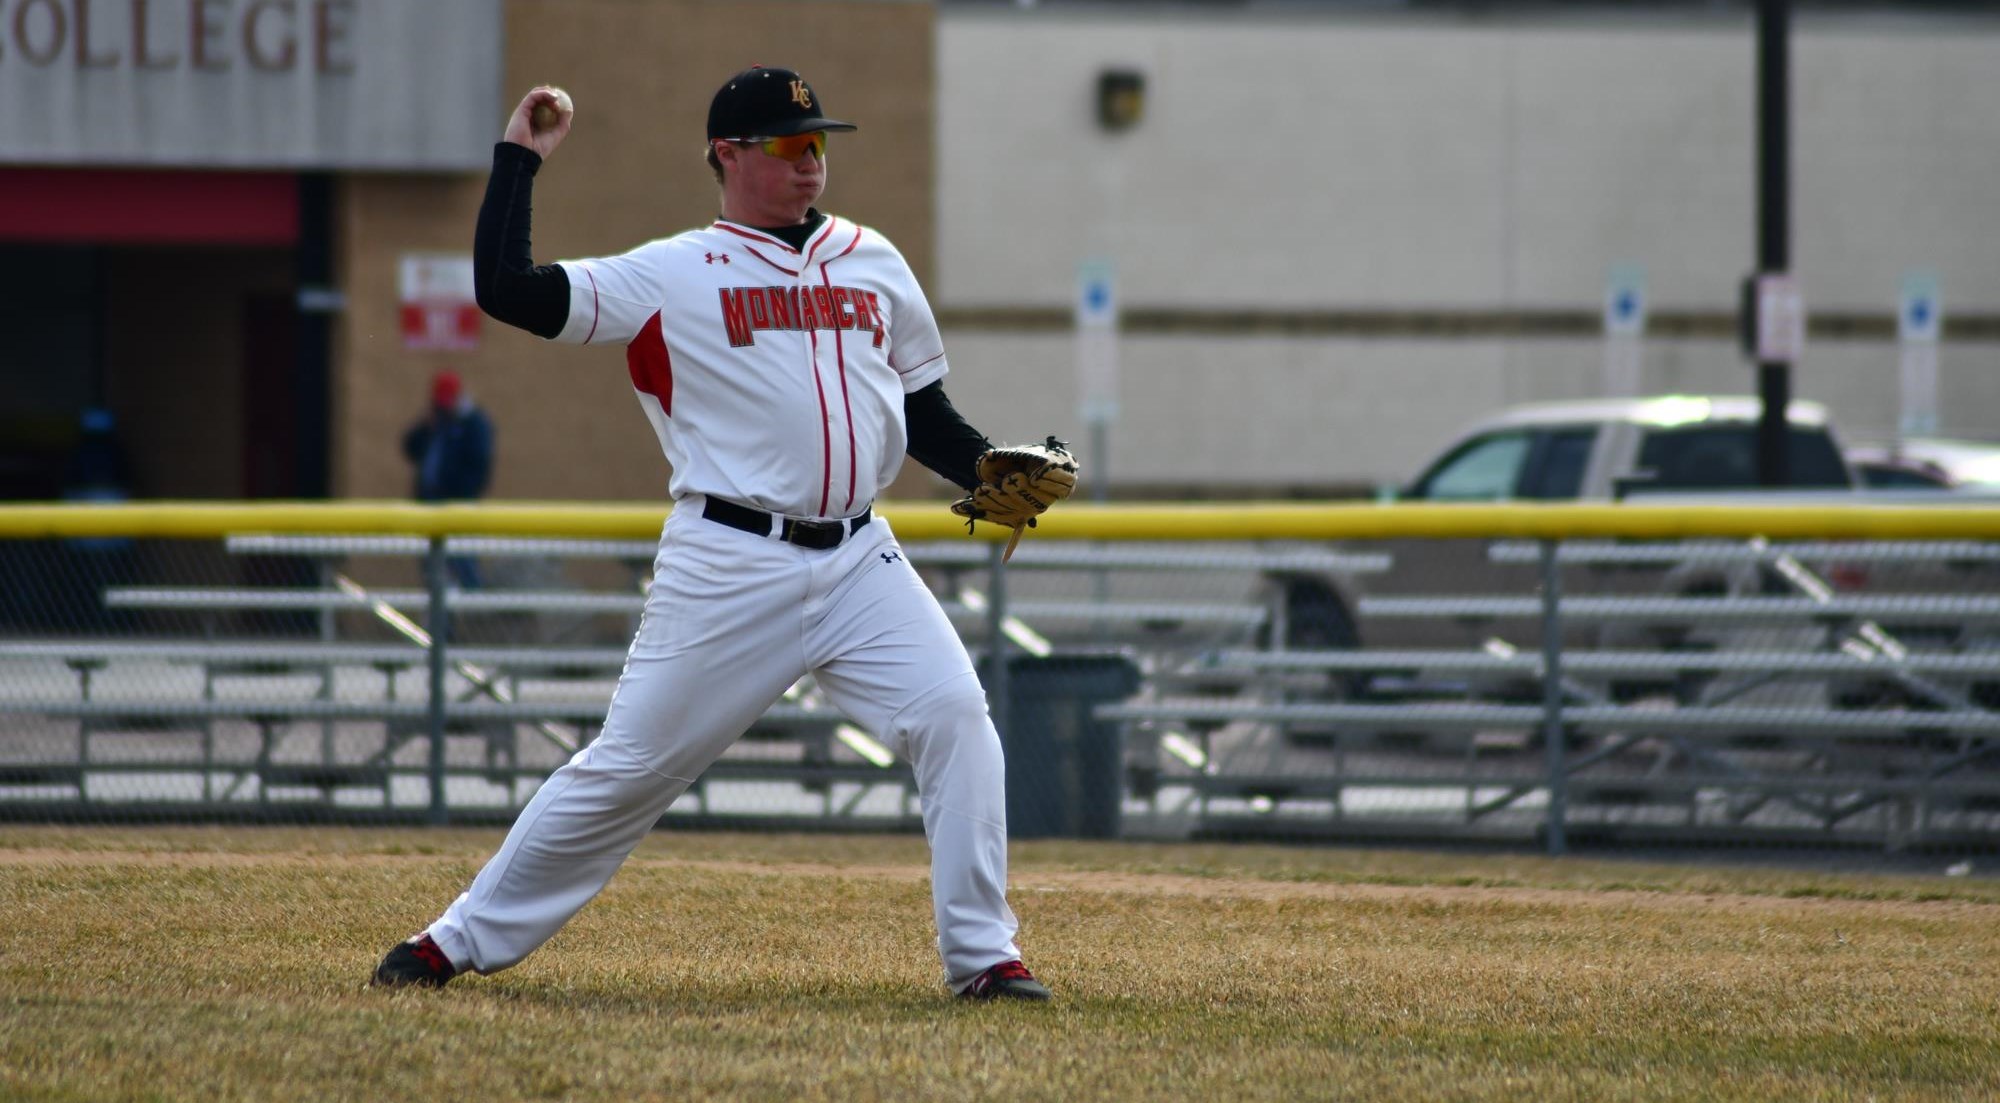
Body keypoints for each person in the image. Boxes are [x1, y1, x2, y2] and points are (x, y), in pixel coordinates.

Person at [372, 66, 1071, 1000]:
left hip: (862, 554)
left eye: (818, 142)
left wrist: (985, 466)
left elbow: (922, 405)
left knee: (956, 720)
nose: (811, 161)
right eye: (788, 144)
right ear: (728, 155)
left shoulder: (874, 259)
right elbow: (508, 290)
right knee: (628, 770)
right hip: (730, 557)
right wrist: (519, 160)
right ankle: (451, 941)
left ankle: (985, 957)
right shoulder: (672, 272)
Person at [401, 369, 494, 588]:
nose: (443, 406)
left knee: (463, 565)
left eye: (447, 401)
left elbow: (478, 465)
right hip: (429, 506)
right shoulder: (435, 421)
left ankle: (477, 617)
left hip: (458, 506)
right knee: (433, 570)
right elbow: (409, 448)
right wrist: (425, 426)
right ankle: (442, 622)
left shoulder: (473, 423)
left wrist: (458, 492)